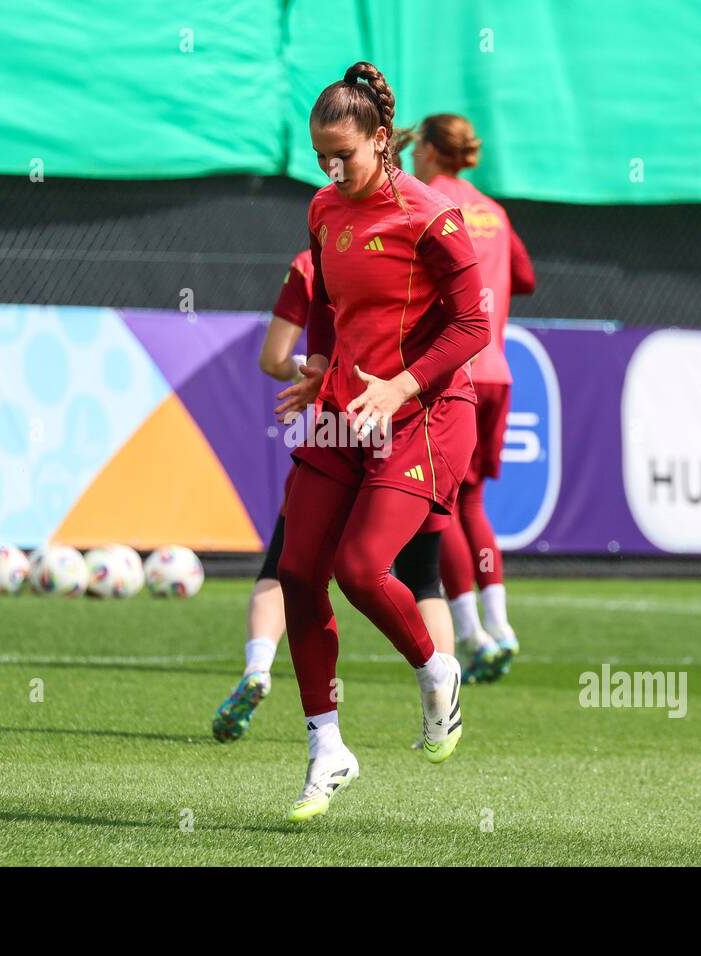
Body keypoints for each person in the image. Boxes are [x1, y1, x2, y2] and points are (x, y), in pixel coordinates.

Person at [273, 62, 490, 821]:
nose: (332, 169)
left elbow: (474, 324)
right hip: (346, 405)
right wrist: (320, 365)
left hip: (424, 411)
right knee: (299, 572)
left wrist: (401, 385)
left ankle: (437, 672)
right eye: (321, 156)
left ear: (380, 140)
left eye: (346, 154)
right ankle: (327, 747)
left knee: (362, 568)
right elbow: (329, 303)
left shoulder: (429, 215)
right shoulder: (324, 207)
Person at [212, 246, 460, 741]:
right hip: (409, 424)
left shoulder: (310, 262)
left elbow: (273, 359)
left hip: (342, 429)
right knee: (424, 576)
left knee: (286, 567)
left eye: (338, 161)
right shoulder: (418, 248)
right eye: (326, 161)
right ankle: (441, 696)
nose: (332, 171)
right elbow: (471, 323)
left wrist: (314, 370)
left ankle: (258, 668)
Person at [409, 114, 536, 683]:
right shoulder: (496, 212)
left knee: (444, 505)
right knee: (474, 504)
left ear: (433, 152)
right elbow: (526, 278)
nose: (410, 159)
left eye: (415, 148)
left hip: (450, 372)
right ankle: (501, 625)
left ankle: (469, 634)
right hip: (498, 370)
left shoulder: (426, 201)